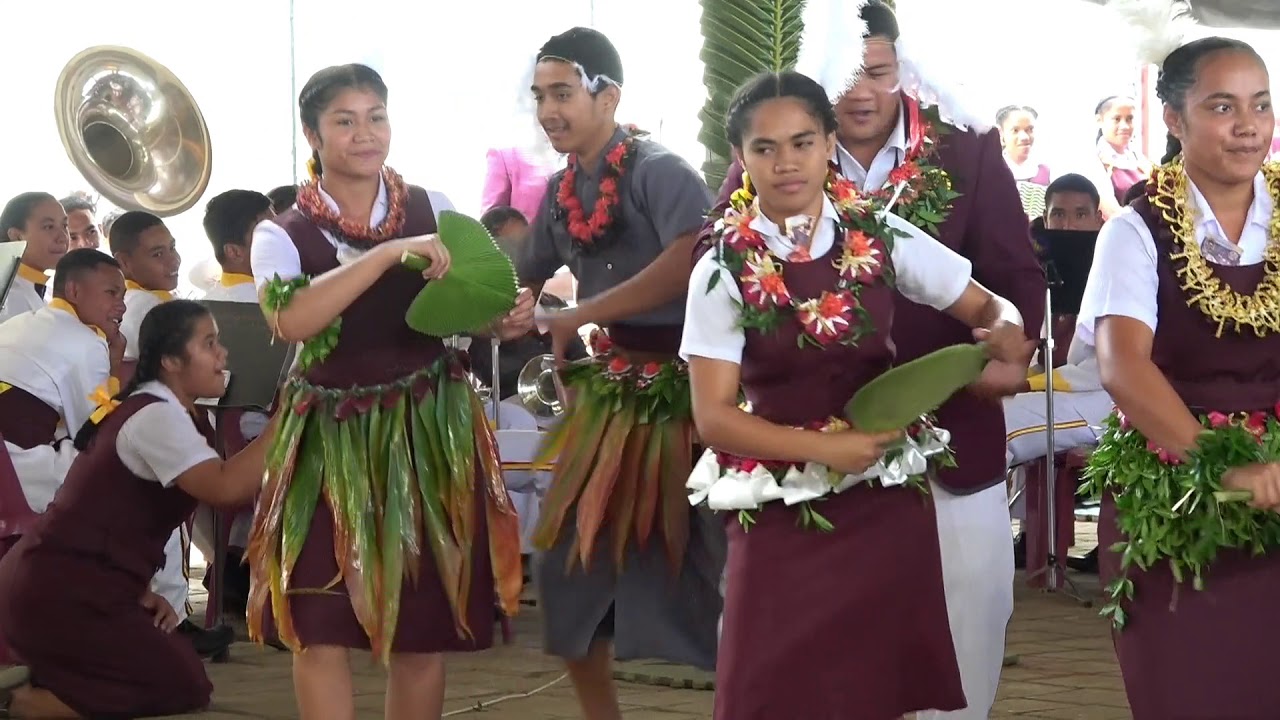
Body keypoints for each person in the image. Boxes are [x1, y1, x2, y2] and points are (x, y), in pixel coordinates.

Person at [704, 4, 1045, 717]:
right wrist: (824, 447)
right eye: (767, 148)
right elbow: (713, 410)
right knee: (775, 682)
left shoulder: (928, 185)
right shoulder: (729, 251)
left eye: (802, 142)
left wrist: (1009, 340)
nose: (786, 159)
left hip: (909, 472)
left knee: (913, 671)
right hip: (784, 491)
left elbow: (1001, 296)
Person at [243, 63, 530, 720]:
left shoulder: (436, 209)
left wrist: (500, 318)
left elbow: (468, 310)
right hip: (327, 437)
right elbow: (290, 320)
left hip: (427, 428)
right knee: (317, 619)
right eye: (344, 120)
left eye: (375, 116)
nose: (364, 133)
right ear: (312, 134)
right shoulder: (280, 233)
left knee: (421, 627)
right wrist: (382, 255)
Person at [517, 27, 724, 720]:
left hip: (699, 390)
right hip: (616, 394)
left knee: (718, 570)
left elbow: (691, 256)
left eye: (563, 93)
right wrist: (512, 308)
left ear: (609, 95)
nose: (549, 109)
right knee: (562, 565)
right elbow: (524, 277)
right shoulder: (559, 189)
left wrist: (583, 312)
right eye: (540, 95)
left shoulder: (659, 171)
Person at [1077, 36, 1280, 719]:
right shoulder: (1135, 232)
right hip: (1171, 493)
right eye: (1222, 106)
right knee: (1191, 691)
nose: (1248, 125)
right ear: (1173, 119)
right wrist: (1217, 465)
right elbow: (1124, 365)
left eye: (1260, 104)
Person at [0, 300, 273, 718]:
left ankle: (44, 679)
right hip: (56, 591)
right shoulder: (155, 417)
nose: (223, 355)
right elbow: (225, 487)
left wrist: (141, 592)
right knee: (177, 686)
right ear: (169, 360)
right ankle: (18, 703)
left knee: (182, 677)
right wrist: (290, 414)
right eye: (210, 343)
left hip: (79, 585)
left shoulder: (170, 411)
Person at [191, 189, 276, 610]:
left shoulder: (197, 305)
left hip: (209, 440)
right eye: (267, 231)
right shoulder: (274, 305)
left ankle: (230, 565)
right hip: (255, 437)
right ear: (235, 251)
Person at [0, 249, 125, 519]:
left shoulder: (20, 322)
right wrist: (114, 367)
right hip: (17, 469)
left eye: (123, 296)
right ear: (74, 291)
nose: (122, 306)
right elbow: (95, 430)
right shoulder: (87, 341)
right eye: (112, 293)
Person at [0, 193, 67, 324]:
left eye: (65, 225)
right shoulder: (7, 298)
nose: (63, 237)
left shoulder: (48, 290)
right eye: (49, 227)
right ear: (17, 236)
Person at [1088, 95, 1154, 218]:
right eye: (1116, 119)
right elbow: (1109, 212)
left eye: (1129, 119)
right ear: (1099, 120)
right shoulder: (1094, 163)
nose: (1124, 126)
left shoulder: (1140, 160)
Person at [997, 105, 1052, 217]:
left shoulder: (1044, 172)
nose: (1024, 137)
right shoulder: (992, 171)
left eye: (1029, 130)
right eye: (1015, 130)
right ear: (1001, 134)